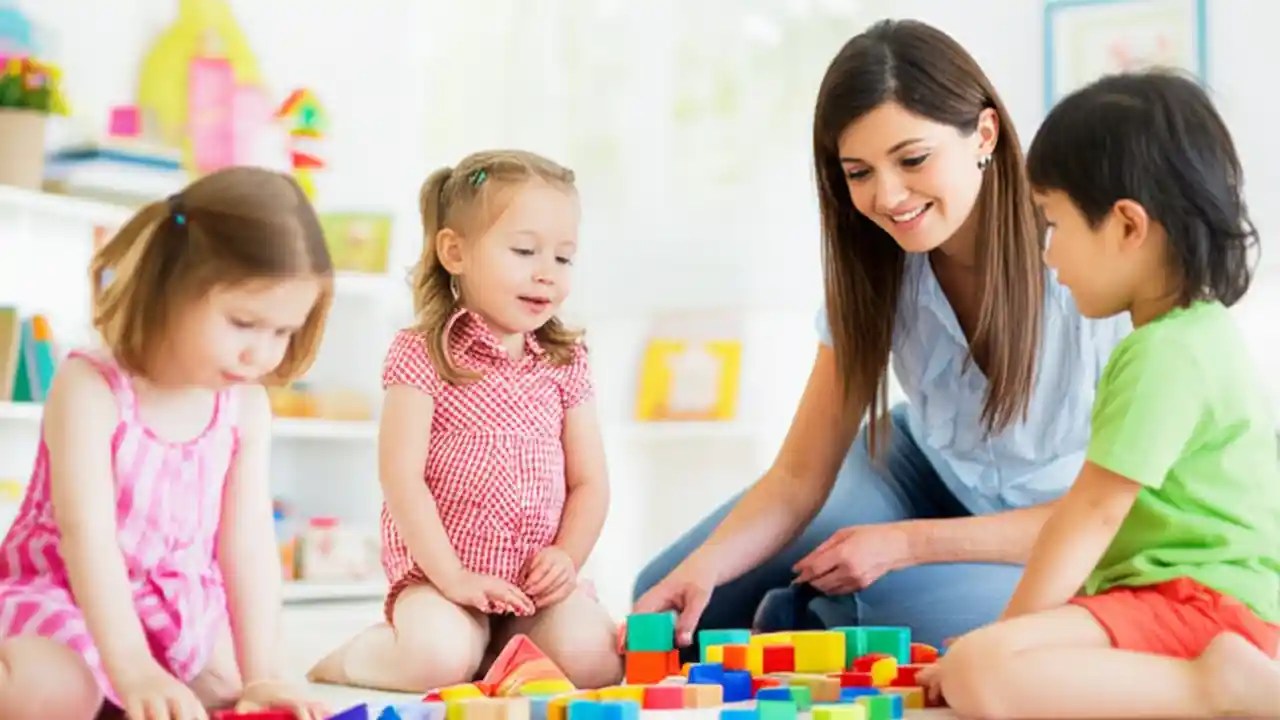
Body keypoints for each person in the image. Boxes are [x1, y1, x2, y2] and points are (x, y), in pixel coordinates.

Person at [632, 18, 1131, 652]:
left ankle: (796, 621)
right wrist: (700, 571)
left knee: (871, 607)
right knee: (668, 594)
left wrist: (908, 544)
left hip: (1064, 529)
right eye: (859, 172)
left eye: (912, 159)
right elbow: (797, 478)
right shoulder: (878, 261)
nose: (888, 196)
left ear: (984, 133)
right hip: (920, 471)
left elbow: (1112, 517)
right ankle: (783, 617)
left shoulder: (1087, 260)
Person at [924, 70, 1280, 719]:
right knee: (997, 661)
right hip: (1193, 599)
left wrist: (1004, 635)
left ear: (1126, 226)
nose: (1048, 255)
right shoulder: (1198, 336)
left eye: (1053, 225)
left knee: (981, 666)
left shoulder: (1163, 355)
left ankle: (1220, 689)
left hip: (1198, 605)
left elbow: (1089, 515)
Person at [0, 167, 334, 720]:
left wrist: (264, 675)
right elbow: (89, 539)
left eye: (283, 332)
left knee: (227, 690)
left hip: (171, 611)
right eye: (245, 322)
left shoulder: (244, 406)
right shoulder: (92, 388)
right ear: (173, 286)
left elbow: (246, 546)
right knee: (58, 690)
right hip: (67, 594)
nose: (263, 354)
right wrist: (131, 666)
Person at [306, 150, 622, 692]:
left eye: (564, 258)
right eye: (525, 251)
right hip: (440, 579)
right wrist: (452, 578)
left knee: (596, 660)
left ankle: (498, 650)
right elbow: (401, 479)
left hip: (530, 588)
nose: (546, 273)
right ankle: (352, 658)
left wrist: (566, 557)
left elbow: (589, 481)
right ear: (455, 251)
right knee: (437, 660)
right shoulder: (422, 354)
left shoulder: (565, 362)